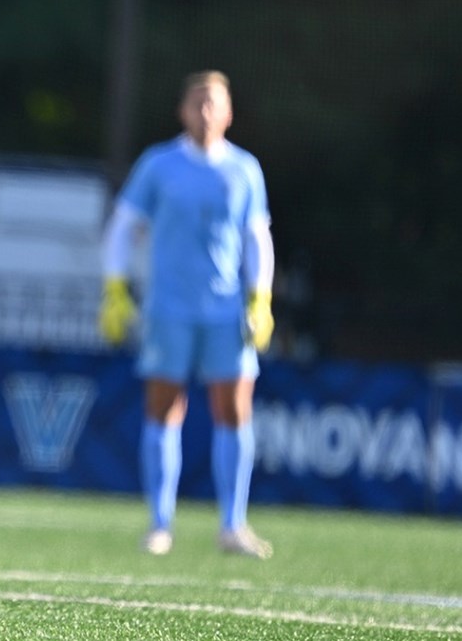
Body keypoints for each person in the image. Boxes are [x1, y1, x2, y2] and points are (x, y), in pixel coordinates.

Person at [98, 70, 276, 560]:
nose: (204, 112)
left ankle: (232, 525)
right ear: (182, 111)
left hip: (225, 312)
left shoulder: (245, 170)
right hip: (169, 309)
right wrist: (115, 289)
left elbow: (256, 237)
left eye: (213, 103)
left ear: (228, 112)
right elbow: (123, 227)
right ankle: (160, 524)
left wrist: (260, 299)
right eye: (196, 103)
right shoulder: (158, 164)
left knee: (234, 411)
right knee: (163, 408)